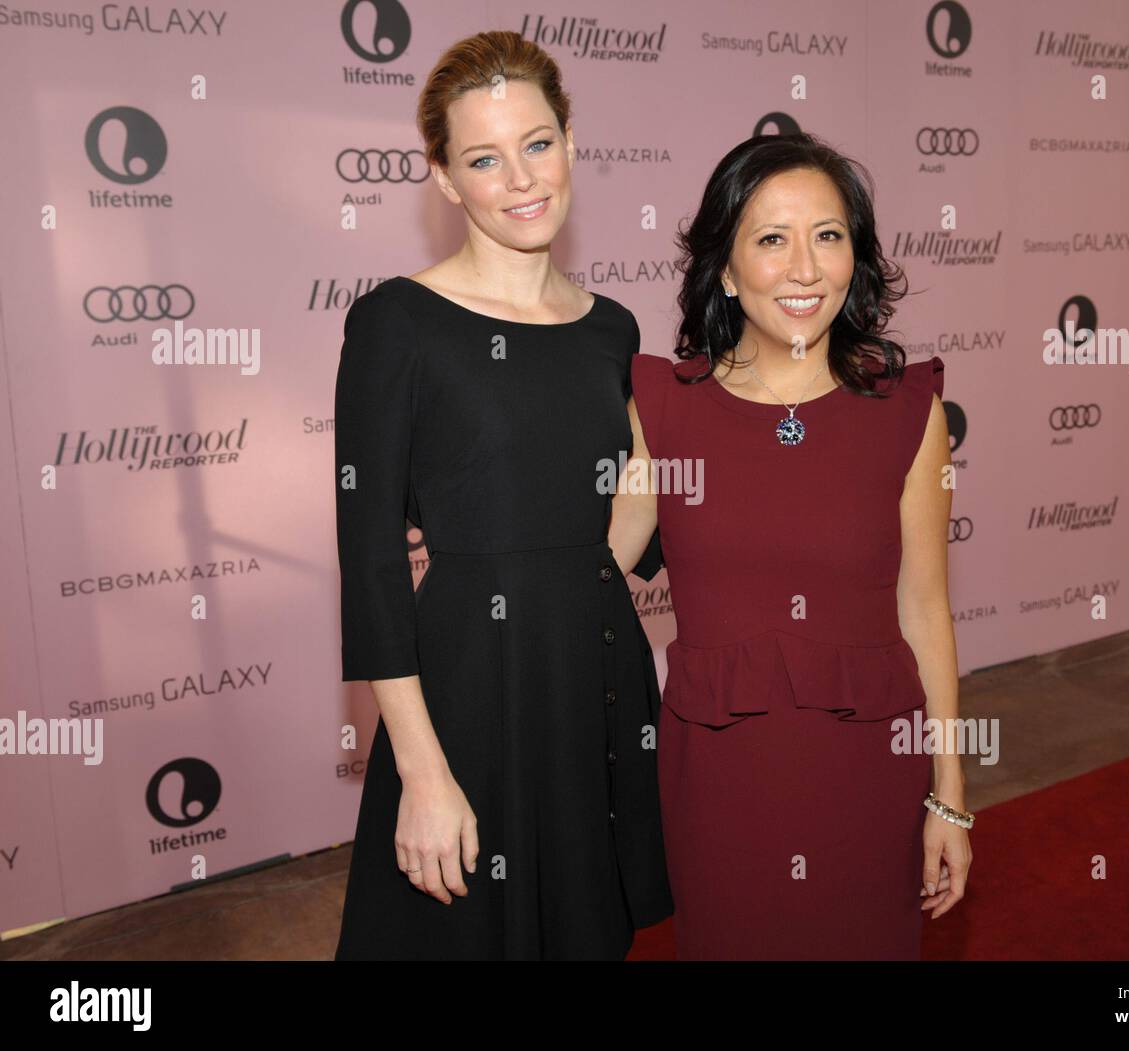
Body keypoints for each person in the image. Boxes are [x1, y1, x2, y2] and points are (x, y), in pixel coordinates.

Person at [332, 30, 671, 960]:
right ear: (444, 178)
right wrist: (420, 771)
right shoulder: (397, 323)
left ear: (570, 141)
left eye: (537, 142)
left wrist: (676, 438)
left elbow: (622, 541)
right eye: (484, 157)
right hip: (469, 691)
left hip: (596, 678)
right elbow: (369, 564)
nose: (522, 178)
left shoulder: (613, 329)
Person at [608, 133, 973, 959]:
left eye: (830, 235)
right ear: (727, 270)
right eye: (772, 239)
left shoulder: (909, 413)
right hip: (721, 779)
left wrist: (948, 794)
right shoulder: (666, 408)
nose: (806, 268)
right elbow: (589, 566)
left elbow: (925, 608)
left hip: (867, 770)